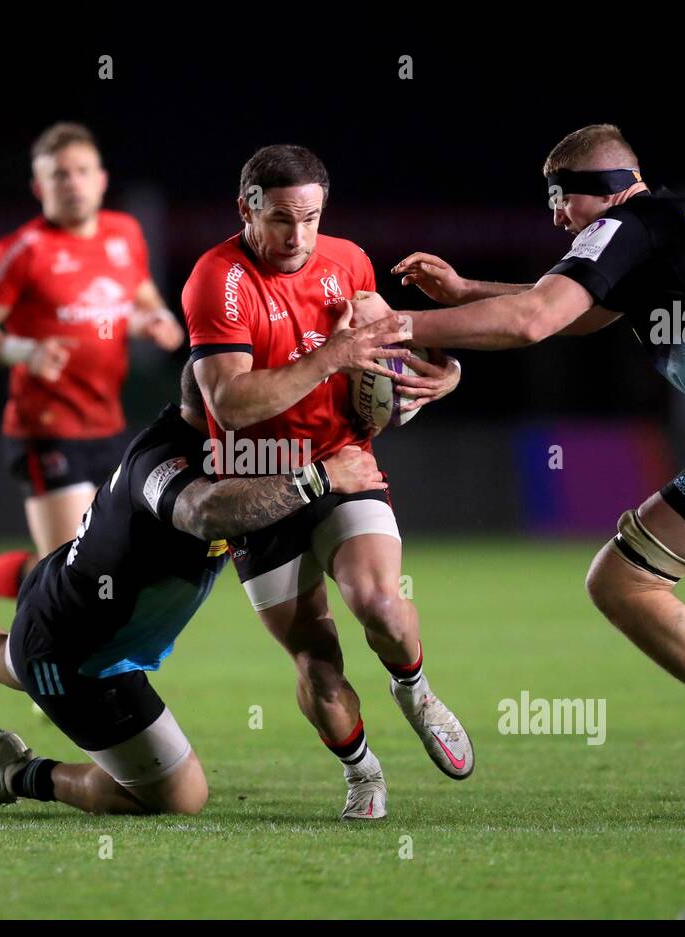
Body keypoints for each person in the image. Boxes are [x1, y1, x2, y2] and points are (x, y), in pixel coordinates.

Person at [390, 123, 685, 816]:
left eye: (560, 200)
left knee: (621, 579)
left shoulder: (630, 225)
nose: (555, 218)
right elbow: (581, 311)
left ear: (601, 190)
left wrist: (392, 326)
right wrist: (463, 290)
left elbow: (534, 321)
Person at [0, 367, 386, 816]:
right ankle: (16, 775)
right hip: (81, 657)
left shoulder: (224, 443)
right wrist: (321, 478)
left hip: (63, 602)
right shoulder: (164, 460)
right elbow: (208, 513)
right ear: (218, 405)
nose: (274, 407)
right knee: (179, 796)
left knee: (0, 655)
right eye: (257, 396)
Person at [182, 144, 470, 820]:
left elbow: (389, 353)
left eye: (311, 218)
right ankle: (363, 772)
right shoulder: (216, 279)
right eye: (282, 219)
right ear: (246, 208)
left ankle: (415, 689)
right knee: (317, 662)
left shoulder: (350, 261)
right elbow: (233, 404)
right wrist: (338, 353)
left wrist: (440, 372)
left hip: (343, 465)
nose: (298, 237)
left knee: (381, 604)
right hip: (258, 490)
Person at [0, 122, 183, 614]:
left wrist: (156, 320)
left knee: (90, 565)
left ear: (101, 179)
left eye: (82, 171)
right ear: (40, 188)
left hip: (108, 424)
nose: (73, 183)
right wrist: (26, 352)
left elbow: (139, 301)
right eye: (59, 175)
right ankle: (48, 679)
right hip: (47, 428)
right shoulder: (24, 250)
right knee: (73, 574)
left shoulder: (124, 234)